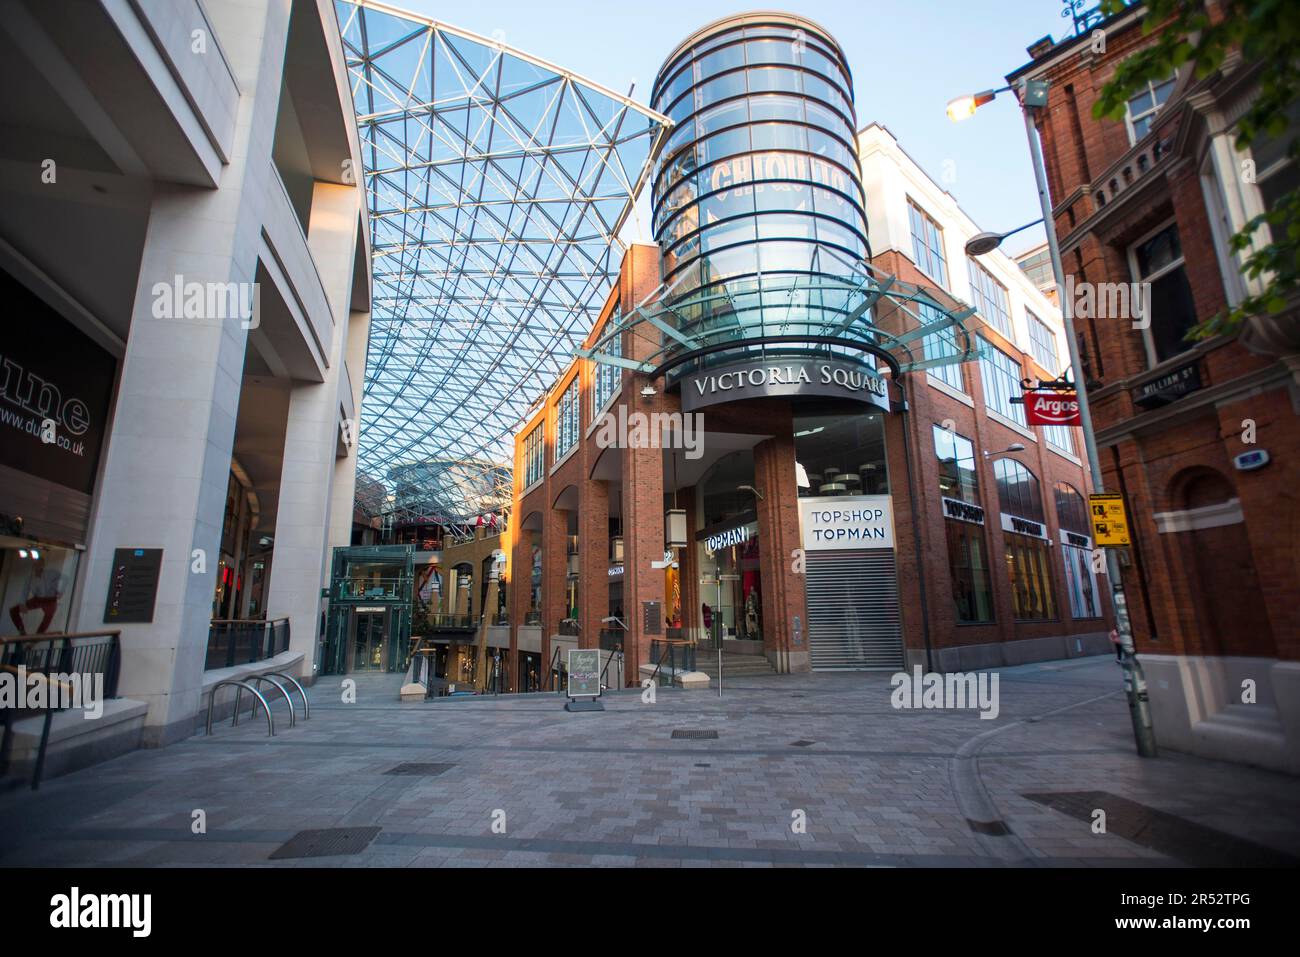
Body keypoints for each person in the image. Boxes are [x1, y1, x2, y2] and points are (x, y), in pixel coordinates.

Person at [9, 557, 63, 635]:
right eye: (36, 565)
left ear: (43, 565)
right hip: (38, 599)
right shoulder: (30, 579)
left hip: (50, 600)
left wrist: (59, 591)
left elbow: (61, 579)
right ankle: (22, 632)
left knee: (47, 619)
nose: (38, 567)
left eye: (40, 565)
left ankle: (34, 641)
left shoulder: (50, 574)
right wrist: (22, 603)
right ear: (34, 566)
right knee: (13, 610)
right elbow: (25, 592)